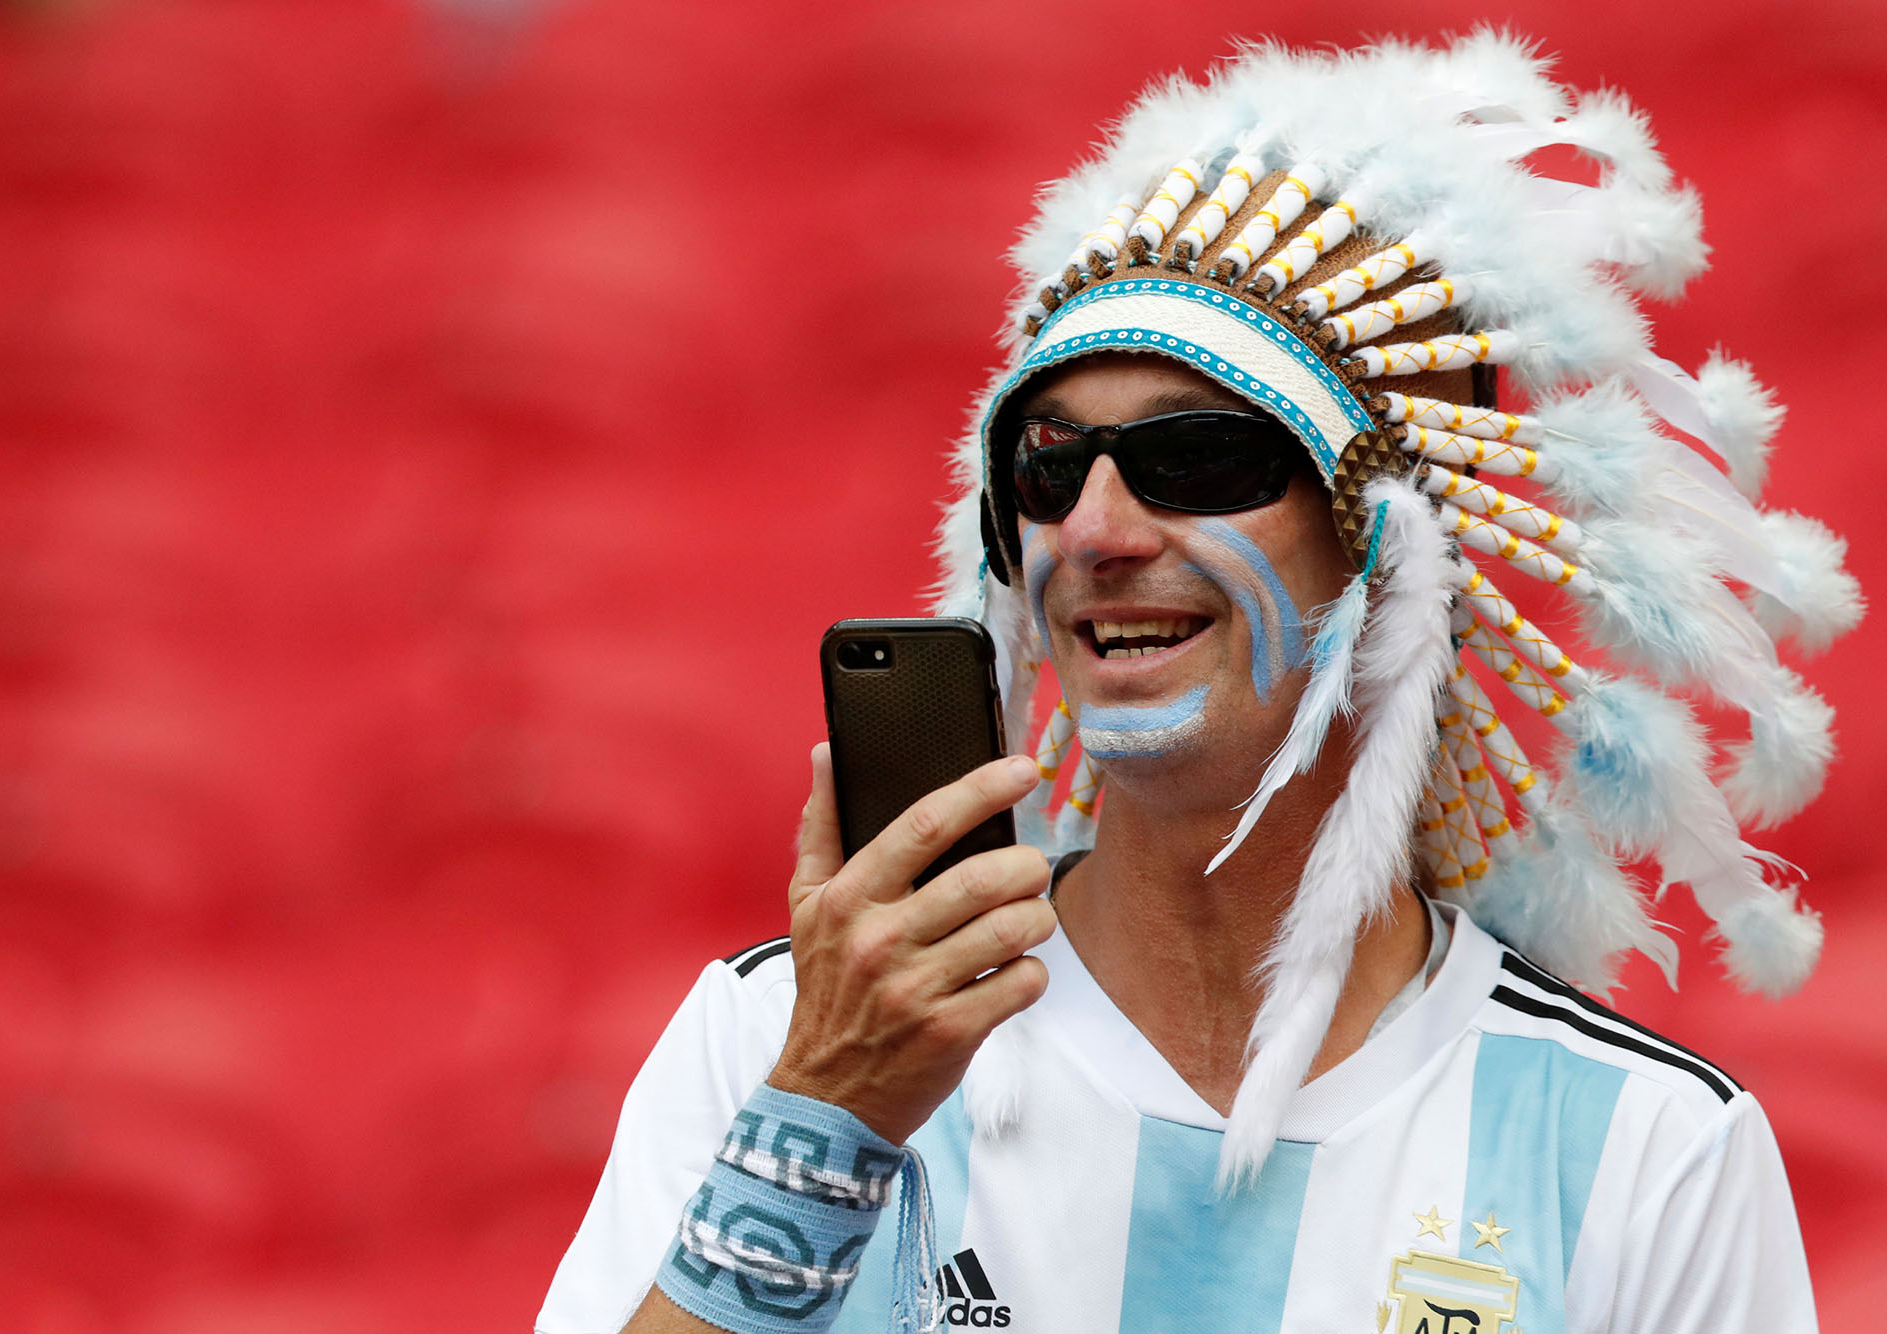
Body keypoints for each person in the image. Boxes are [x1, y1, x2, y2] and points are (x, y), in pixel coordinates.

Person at [537, 33, 1861, 1334]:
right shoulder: (780, 1038)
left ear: (1388, 554)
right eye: (1048, 466)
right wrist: (826, 1120)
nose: (1095, 531)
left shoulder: (1645, 1149)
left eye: (1200, 459)